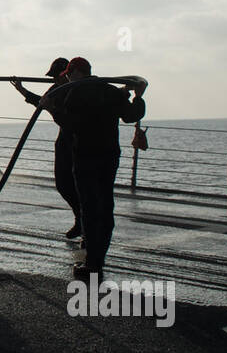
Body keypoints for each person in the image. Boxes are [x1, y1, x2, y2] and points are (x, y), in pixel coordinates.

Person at [34, 57, 145, 280]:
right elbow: (132, 115)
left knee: (90, 208)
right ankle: (98, 258)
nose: (67, 77)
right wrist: (138, 97)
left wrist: (51, 108)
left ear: (75, 72)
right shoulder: (111, 91)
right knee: (105, 206)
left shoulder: (76, 93)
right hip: (110, 156)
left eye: (69, 73)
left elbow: (72, 124)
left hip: (86, 157)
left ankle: (93, 265)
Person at [11, 57, 82, 239]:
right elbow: (41, 102)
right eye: (53, 77)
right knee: (63, 184)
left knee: (82, 186)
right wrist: (22, 90)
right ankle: (80, 219)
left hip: (80, 142)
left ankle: (87, 229)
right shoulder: (56, 89)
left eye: (57, 76)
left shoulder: (78, 90)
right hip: (64, 141)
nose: (54, 80)